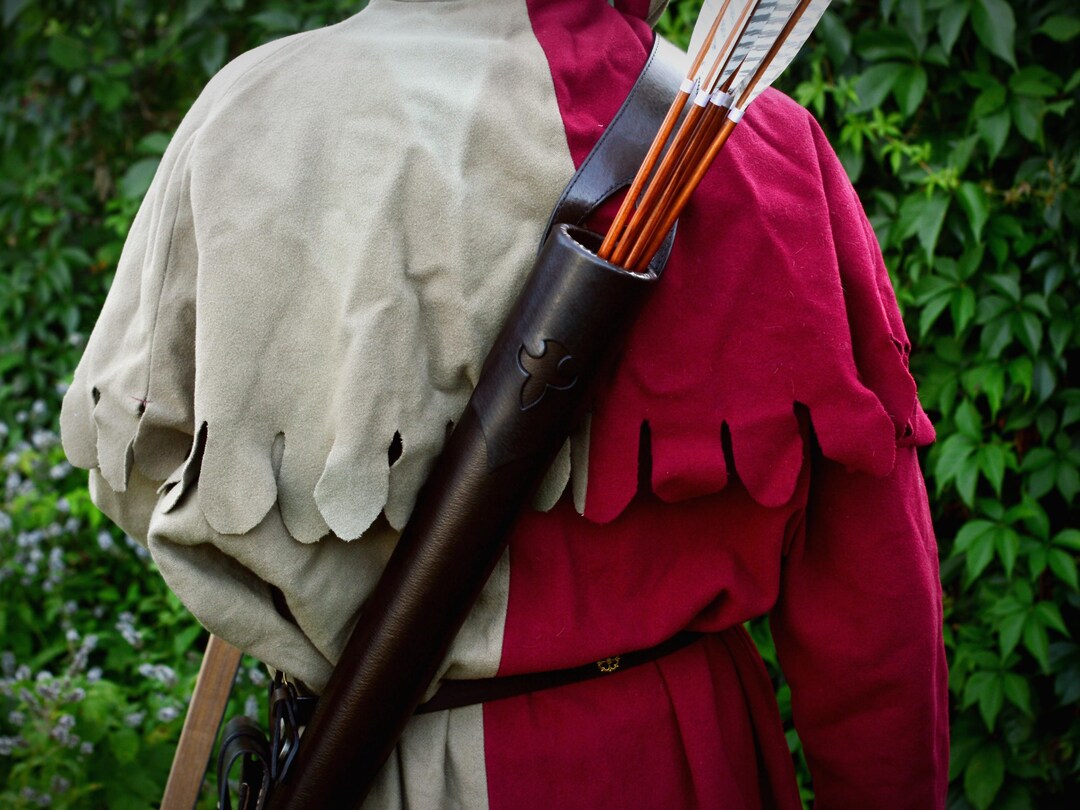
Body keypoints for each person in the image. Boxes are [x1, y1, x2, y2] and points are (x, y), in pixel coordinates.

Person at [60, 0, 948, 806]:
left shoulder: (246, 114)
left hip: (364, 763)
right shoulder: (767, 151)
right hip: (669, 762)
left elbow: (144, 466)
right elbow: (873, 609)